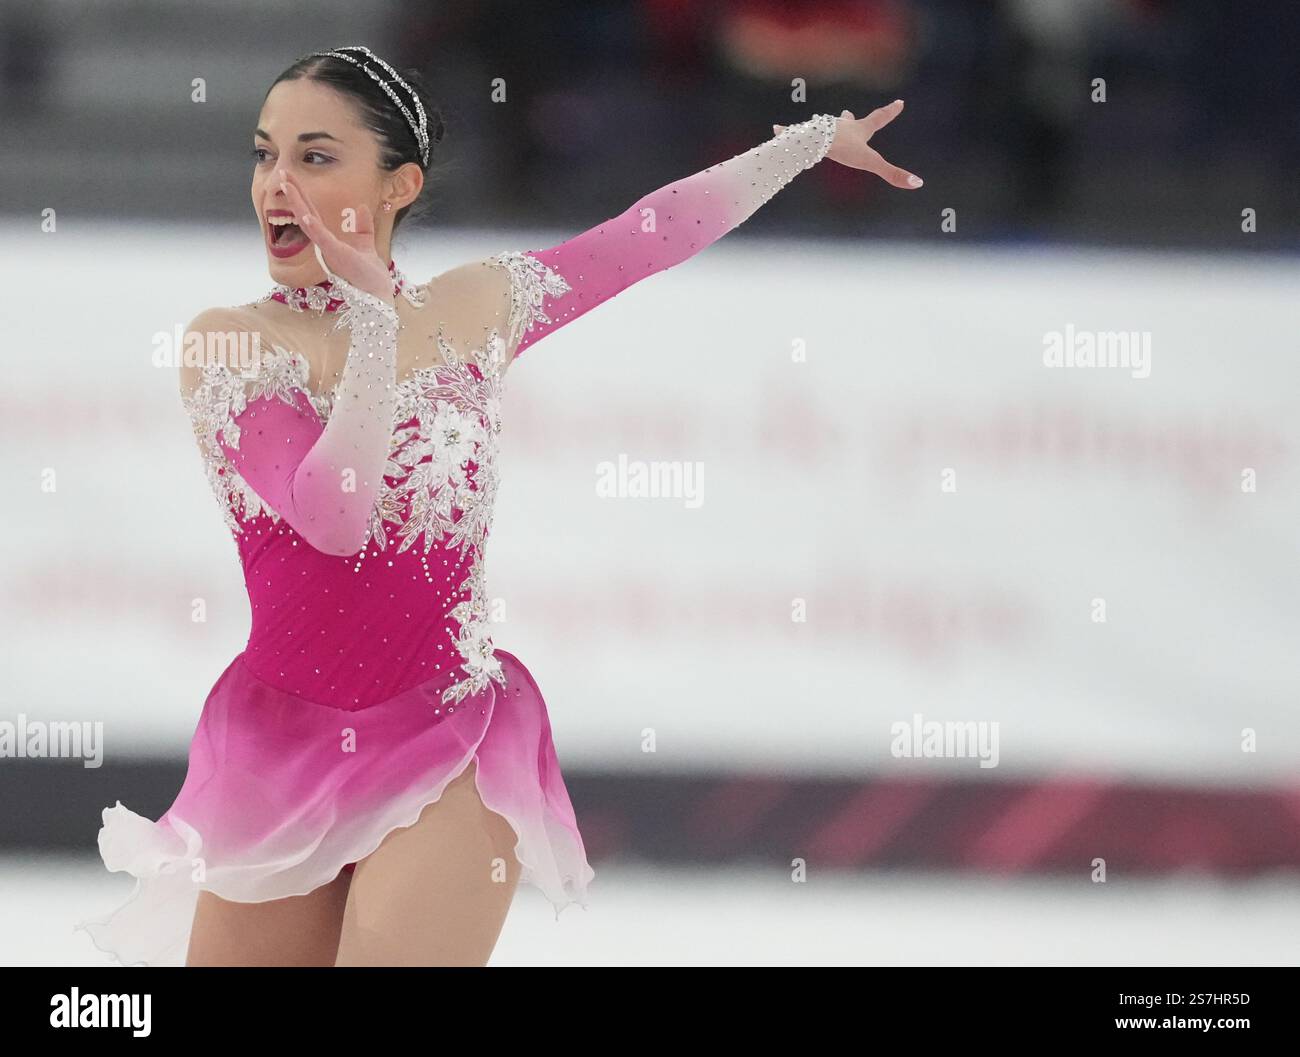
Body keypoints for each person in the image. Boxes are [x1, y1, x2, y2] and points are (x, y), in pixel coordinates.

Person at [73, 44, 920, 967]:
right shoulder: (231, 345)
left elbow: (644, 235)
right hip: (277, 753)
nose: (277, 183)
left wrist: (805, 142)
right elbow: (333, 512)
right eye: (263, 154)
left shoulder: (475, 305)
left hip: (451, 732)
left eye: (314, 157)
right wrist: (370, 332)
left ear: (398, 186)